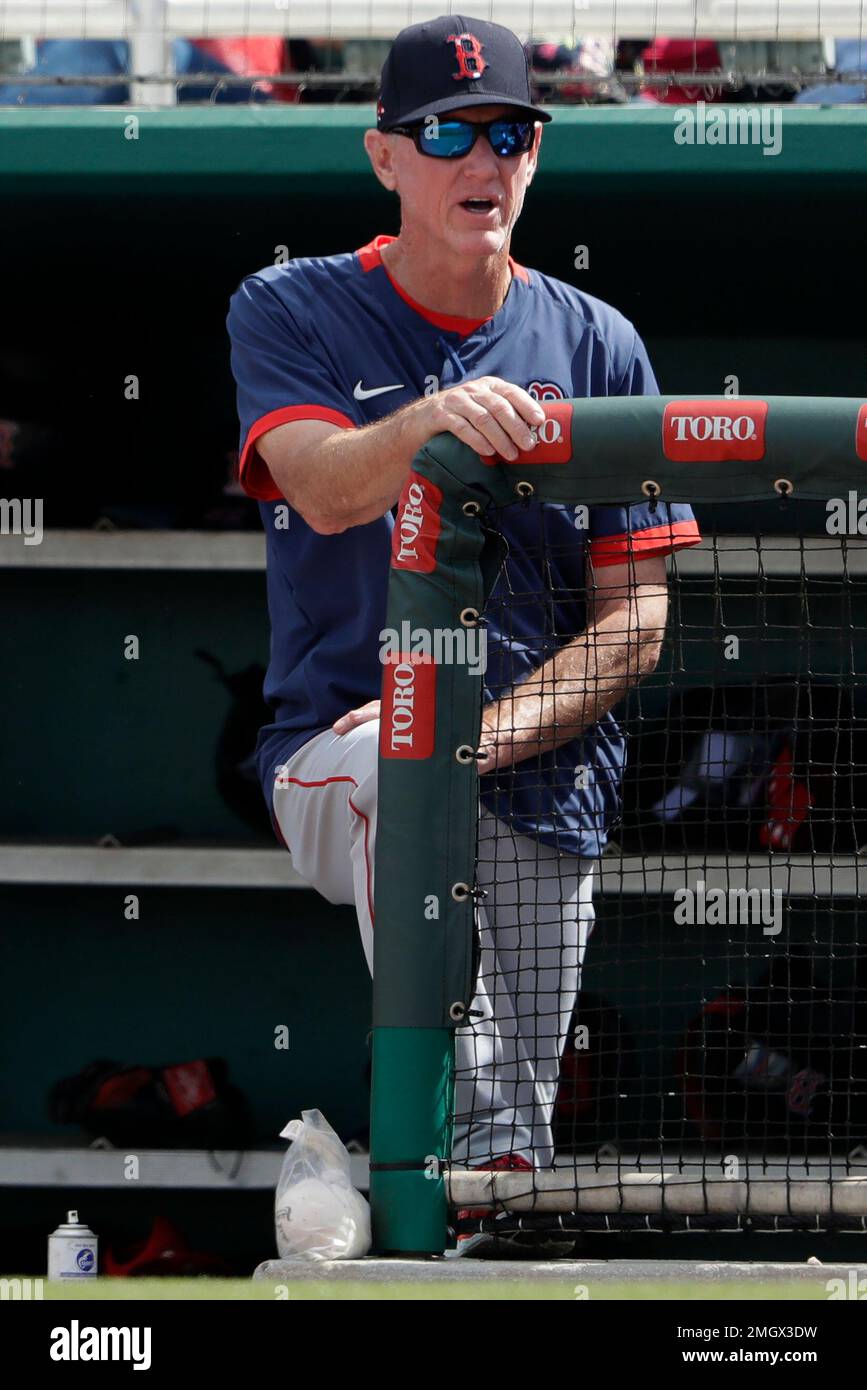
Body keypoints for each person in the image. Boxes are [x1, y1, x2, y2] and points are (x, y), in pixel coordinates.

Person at [227, 14, 701, 1255]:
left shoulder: (598, 342)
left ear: (533, 155)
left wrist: (486, 736)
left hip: (541, 783)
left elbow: (638, 619)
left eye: (509, 132)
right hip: (339, 751)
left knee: (506, 1158)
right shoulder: (293, 305)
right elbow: (323, 485)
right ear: (386, 155)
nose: (481, 159)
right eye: (446, 133)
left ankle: (399, 1221)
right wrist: (433, 420)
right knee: (402, 768)